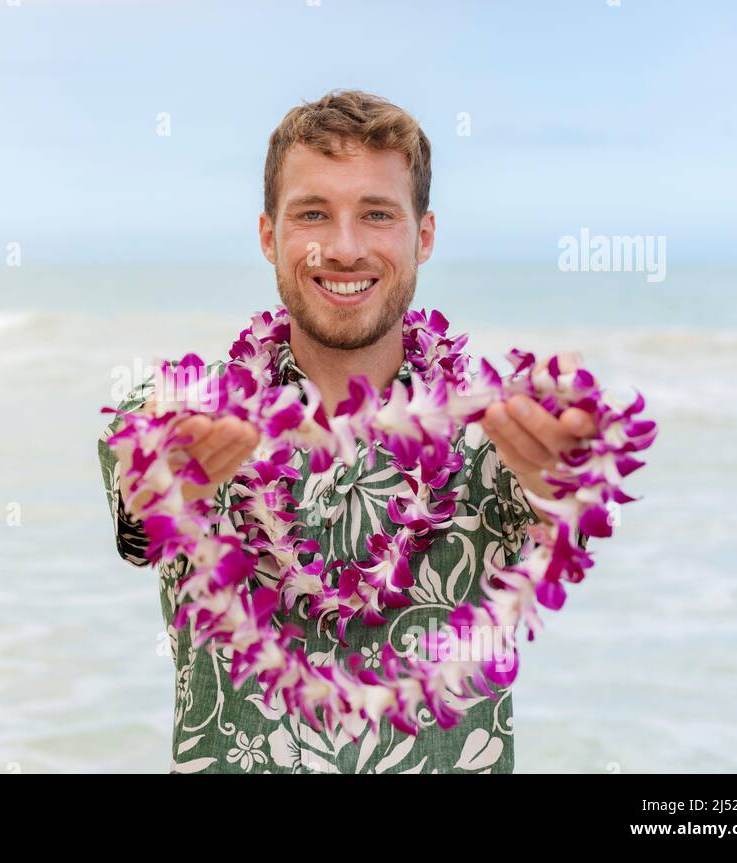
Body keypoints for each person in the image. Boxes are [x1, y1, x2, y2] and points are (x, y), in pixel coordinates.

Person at [97, 89, 596, 774]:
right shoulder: (185, 420)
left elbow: (568, 517)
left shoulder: (499, 428)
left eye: (377, 214)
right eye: (313, 214)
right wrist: (151, 498)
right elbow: (137, 531)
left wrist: (562, 482)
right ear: (268, 235)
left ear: (424, 236)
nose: (343, 247)